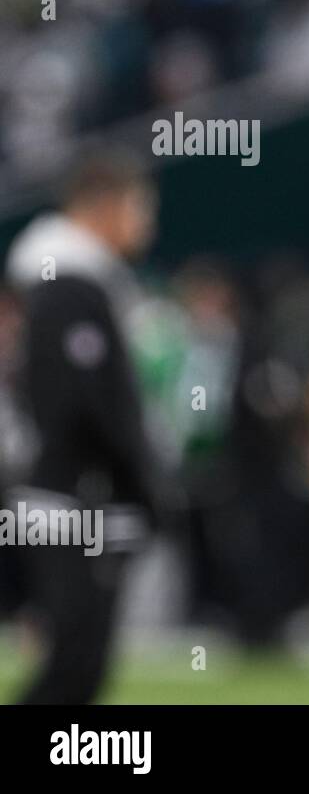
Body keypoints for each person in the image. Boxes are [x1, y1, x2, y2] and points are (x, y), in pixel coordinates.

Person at [4, 153, 160, 703]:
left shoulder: (56, 276)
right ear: (104, 207)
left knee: (82, 656)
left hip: (55, 485)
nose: (147, 223)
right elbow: (92, 401)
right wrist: (143, 478)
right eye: (141, 208)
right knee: (77, 654)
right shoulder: (69, 281)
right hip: (67, 490)